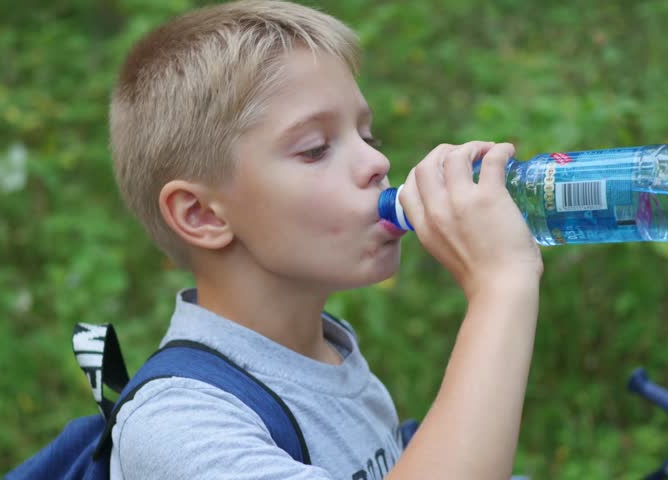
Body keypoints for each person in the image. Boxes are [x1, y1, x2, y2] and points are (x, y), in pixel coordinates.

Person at [108, 0, 544, 478]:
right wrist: (501, 285)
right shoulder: (179, 427)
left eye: (368, 137)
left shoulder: (328, 352)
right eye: (315, 149)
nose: (378, 164)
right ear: (202, 214)